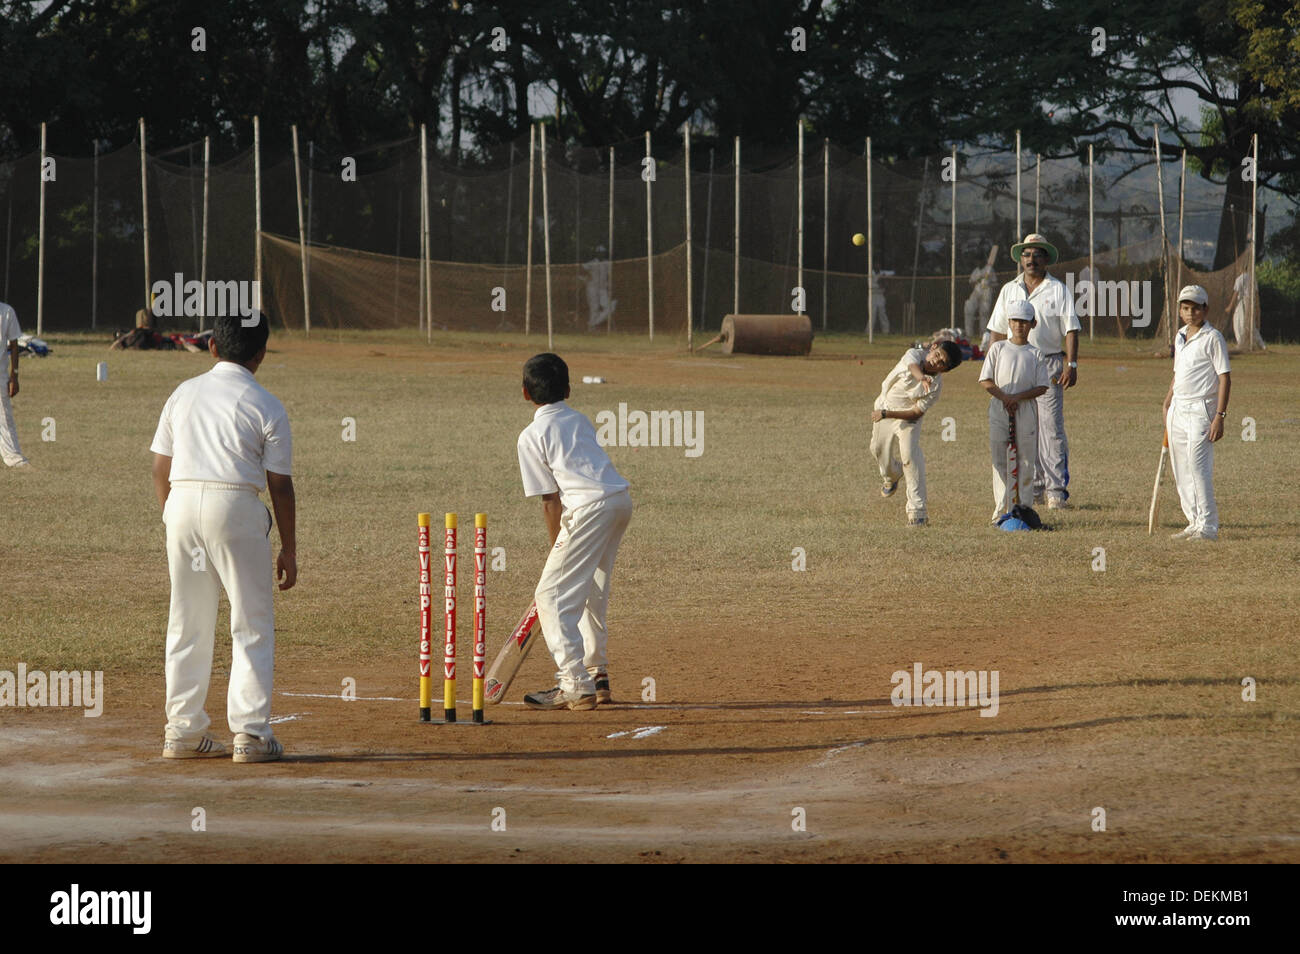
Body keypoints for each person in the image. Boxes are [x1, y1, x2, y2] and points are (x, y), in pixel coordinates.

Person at [150, 313, 297, 761]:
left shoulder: (183, 393)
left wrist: (174, 518)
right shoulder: (267, 404)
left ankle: (182, 733)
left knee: (187, 621)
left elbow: (160, 468)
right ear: (261, 354)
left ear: (212, 346)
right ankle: (250, 736)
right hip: (235, 507)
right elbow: (279, 485)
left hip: (180, 504)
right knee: (250, 622)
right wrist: (289, 548)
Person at [517, 353, 632, 710]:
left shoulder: (531, 436)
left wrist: (558, 549)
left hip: (588, 510)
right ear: (567, 390)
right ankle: (597, 675)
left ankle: (575, 684)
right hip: (618, 502)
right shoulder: (579, 419)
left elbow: (550, 501)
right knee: (590, 590)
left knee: (550, 596)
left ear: (525, 393)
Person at [986, 233, 1081, 509]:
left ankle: (1056, 491)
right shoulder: (1009, 289)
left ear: (1046, 259)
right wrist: (992, 368)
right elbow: (996, 330)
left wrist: (1072, 364)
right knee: (1024, 428)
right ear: (1020, 259)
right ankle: (1034, 488)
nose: (1031, 259)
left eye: (1037, 255)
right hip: (1015, 364)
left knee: (1050, 428)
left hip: (1049, 363)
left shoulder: (1057, 289)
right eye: (1026, 255)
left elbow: (1071, 328)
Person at [869, 339, 964, 526]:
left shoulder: (935, 387)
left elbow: (916, 412)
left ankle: (917, 512)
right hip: (884, 407)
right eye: (937, 355)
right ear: (933, 347)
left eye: (942, 363)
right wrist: (921, 378)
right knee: (877, 449)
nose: (936, 361)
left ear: (945, 370)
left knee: (910, 456)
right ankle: (892, 475)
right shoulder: (914, 354)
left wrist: (887, 414)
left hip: (907, 419)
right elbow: (912, 367)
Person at [1163, 285, 1230, 541]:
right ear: (1180, 311)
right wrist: (1167, 400)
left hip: (1201, 409)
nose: (1190, 313)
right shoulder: (1180, 336)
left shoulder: (1213, 338)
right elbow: (1178, 372)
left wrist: (1220, 416)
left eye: (1195, 308)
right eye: (1185, 308)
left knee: (1198, 468)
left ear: (1206, 310)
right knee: (1181, 469)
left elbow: (1224, 378)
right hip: (1178, 407)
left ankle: (1208, 527)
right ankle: (1193, 521)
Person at [979, 301, 1050, 523]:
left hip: (1025, 409)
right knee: (1000, 458)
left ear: (1033, 324)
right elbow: (986, 380)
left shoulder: (1036, 354)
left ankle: (1023, 510)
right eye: (1016, 321)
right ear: (1009, 323)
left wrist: (1017, 398)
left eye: (1024, 322)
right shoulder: (998, 348)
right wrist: (1005, 398)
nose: (1020, 325)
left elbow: (1042, 386)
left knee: (1026, 460)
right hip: (999, 408)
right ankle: (1002, 510)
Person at [1, 300, 30, 468]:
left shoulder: (6, 312)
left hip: (0, 375)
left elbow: (13, 345)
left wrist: (14, 375)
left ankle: (14, 458)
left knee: (4, 418)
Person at [1224, 271, 1266, 351]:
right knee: (1250, 324)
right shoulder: (1253, 279)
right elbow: (1256, 294)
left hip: (1242, 303)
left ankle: (1241, 343)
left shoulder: (1240, 279)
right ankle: (1261, 344)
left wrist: (1230, 307)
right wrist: (1257, 306)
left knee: (1238, 323)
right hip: (1251, 303)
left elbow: (1235, 294)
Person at [866, 269, 891, 334]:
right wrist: (879, 283)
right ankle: (869, 331)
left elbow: (885, 284)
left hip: (880, 295)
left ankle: (886, 330)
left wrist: (884, 283)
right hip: (873, 295)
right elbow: (871, 285)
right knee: (872, 314)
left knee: (883, 314)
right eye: (877, 265)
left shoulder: (882, 273)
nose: (878, 266)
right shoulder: (871, 273)